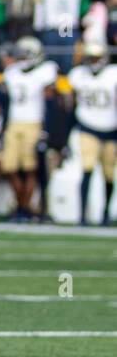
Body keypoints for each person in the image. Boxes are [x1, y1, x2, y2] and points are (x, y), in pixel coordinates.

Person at [0, 36, 59, 222]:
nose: (22, 58)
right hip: (13, 122)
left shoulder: (46, 71)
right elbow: (6, 101)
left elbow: (51, 102)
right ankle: (23, 206)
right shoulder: (11, 72)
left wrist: (46, 129)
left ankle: (24, 209)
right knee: (8, 167)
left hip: (34, 122)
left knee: (30, 168)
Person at [68, 42, 117, 225]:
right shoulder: (79, 75)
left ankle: (105, 214)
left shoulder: (113, 74)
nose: (92, 61)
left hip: (111, 130)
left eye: (95, 57)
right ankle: (82, 215)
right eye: (90, 57)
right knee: (87, 168)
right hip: (87, 126)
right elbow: (70, 102)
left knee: (109, 174)